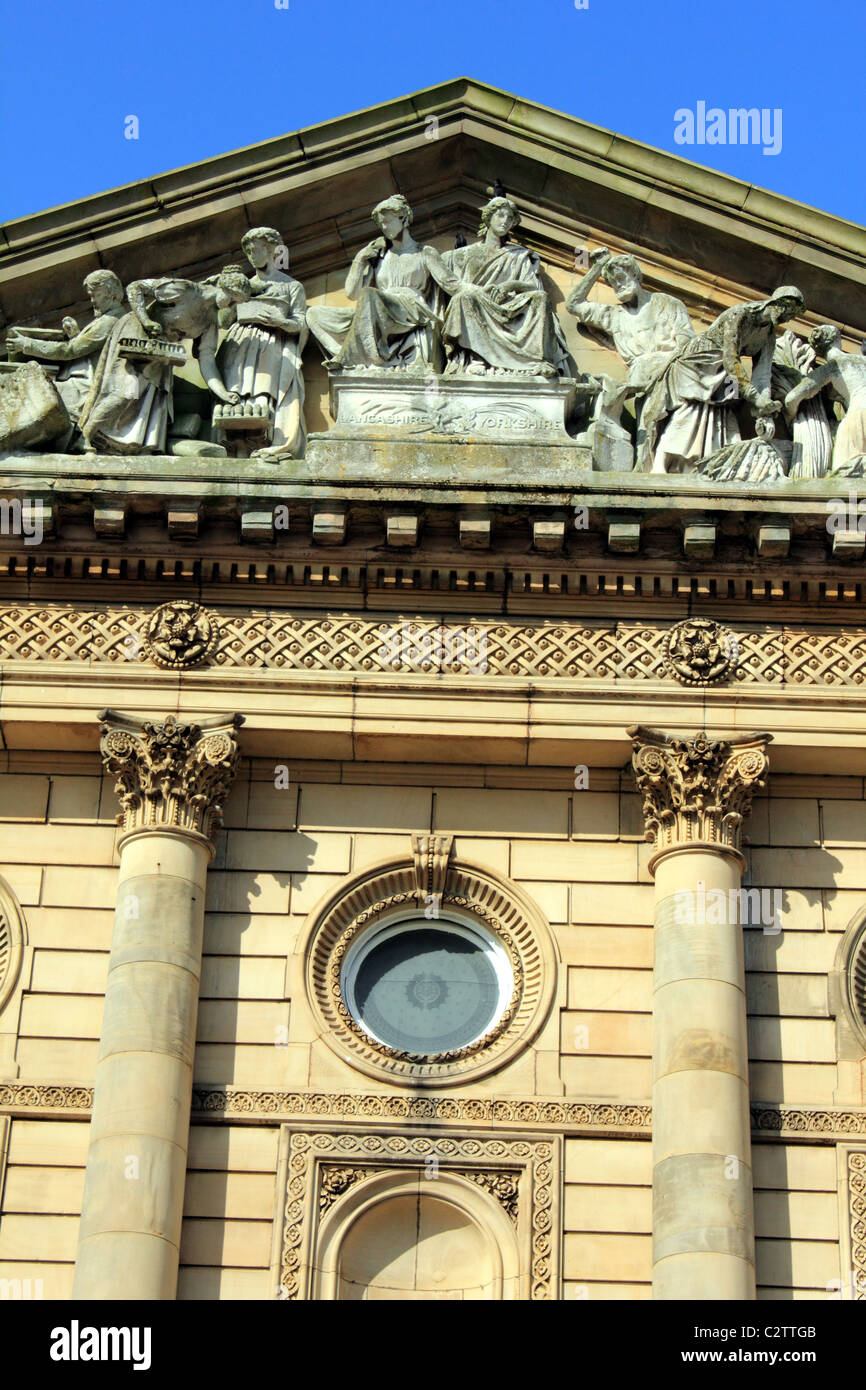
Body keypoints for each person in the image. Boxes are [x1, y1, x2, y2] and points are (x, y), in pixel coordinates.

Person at [566, 248, 737, 473]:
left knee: (709, 379)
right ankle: (650, 462)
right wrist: (596, 268)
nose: (617, 285)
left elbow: (688, 345)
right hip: (643, 375)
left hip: (675, 370)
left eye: (621, 278)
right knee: (647, 423)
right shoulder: (613, 315)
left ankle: (685, 459)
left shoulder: (669, 304)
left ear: (635, 275)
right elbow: (573, 304)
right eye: (612, 283)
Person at [77, 270, 249, 454]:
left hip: (162, 351)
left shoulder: (209, 322)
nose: (231, 306)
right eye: (232, 299)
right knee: (127, 391)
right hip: (138, 333)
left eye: (236, 303)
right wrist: (146, 320)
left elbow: (206, 360)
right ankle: (85, 436)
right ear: (222, 287)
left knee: (155, 402)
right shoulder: (186, 290)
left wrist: (222, 392)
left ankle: (132, 448)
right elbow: (136, 287)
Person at [306, 194, 457, 371]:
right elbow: (352, 293)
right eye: (381, 224)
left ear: (404, 218)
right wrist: (360, 259)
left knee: (369, 295)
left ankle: (350, 358)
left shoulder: (424, 253)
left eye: (387, 221)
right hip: (377, 311)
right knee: (314, 314)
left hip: (411, 310)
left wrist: (477, 294)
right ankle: (360, 354)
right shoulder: (379, 256)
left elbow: (452, 285)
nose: (384, 227)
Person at [441, 196, 572, 377]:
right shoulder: (462, 255)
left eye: (510, 218)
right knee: (463, 298)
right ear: (488, 218)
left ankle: (535, 361)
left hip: (510, 303)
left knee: (540, 299)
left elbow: (533, 287)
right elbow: (448, 284)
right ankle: (478, 357)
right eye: (500, 215)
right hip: (478, 303)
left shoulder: (518, 256)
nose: (505, 221)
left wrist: (510, 285)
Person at [6, 270, 127, 444]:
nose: (92, 301)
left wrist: (26, 344)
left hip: (84, 389)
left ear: (112, 294)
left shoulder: (110, 321)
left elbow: (69, 351)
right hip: (80, 383)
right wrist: (76, 335)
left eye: (96, 295)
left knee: (28, 392)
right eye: (91, 296)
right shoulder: (108, 319)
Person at [217, 227, 307, 459]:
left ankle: (263, 437)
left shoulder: (291, 286)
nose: (251, 256)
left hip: (271, 343)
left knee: (261, 391)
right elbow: (223, 321)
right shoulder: (242, 284)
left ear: (271, 251)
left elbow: (300, 323)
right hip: (239, 343)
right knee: (236, 393)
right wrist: (228, 296)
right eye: (248, 252)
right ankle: (236, 444)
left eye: (256, 250)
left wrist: (281, 321)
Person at [784, 324, 866, 474]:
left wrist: (790, 418)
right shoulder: (862, 359)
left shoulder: (833, 366)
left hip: (858, 416)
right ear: (838, 340)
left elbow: (791, 398)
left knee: (844, 473)